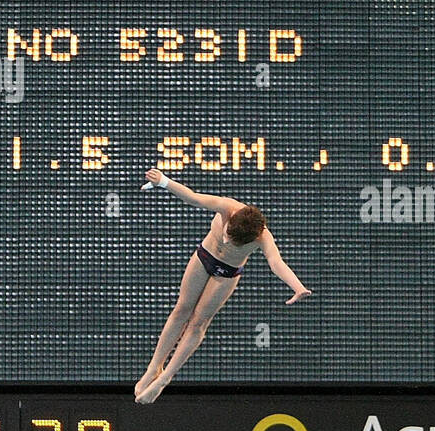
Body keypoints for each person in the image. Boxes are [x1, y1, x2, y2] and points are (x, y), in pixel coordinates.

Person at [134, 167, 312, 403]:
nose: (226, 239)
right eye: (227, 232)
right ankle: (154, 367)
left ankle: (165, 378)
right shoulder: (227, 206)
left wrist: (297, 287)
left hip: (227, 273)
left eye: (232, 240)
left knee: (198, 322)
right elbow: (192, 197)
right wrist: (165, 181)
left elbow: (276, 263)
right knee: (181, 310)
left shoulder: (263, 237)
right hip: (204, 258)